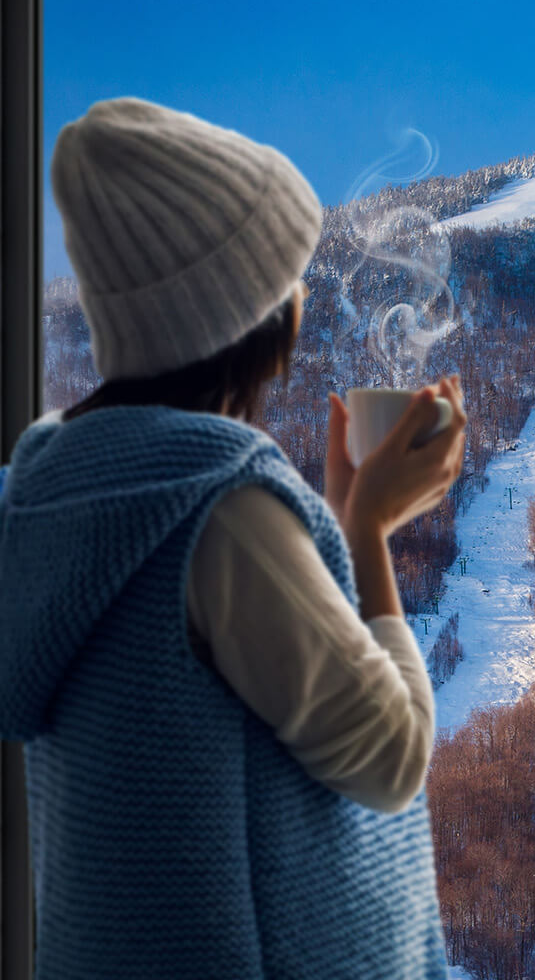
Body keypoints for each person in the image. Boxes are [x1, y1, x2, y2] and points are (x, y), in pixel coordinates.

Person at [0, 98, 460, 977]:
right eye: (286, 274)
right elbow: (389, 757)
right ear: (239, 314)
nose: (303, 294)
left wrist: (322, 520)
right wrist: (364, 530)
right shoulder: (219, 513)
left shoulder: (58, 489)